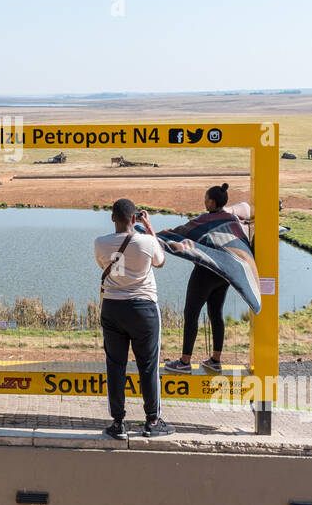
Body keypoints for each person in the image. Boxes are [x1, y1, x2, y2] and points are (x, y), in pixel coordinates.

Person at [94, 198, 175, 439]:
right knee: (148, 366)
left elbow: (104, 264)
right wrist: (149, 226)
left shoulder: (100, 243)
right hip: (144, 310)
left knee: (115, 366)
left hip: (112, 308)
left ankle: (118, 423)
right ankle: (152, 420)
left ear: (112, 218)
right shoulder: (147, 241)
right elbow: (161, 261)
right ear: (134, 219)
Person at [163, 183, 234, 374]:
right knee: (216, 314)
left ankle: (185, 362)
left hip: (205, 272)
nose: (204, 201)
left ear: (212, 202)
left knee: (191, 313)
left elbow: (182, 230)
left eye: (206, 199)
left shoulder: (204, 219)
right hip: (224, 273)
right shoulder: (232, 219)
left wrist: (158, 235)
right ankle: (215, 360)